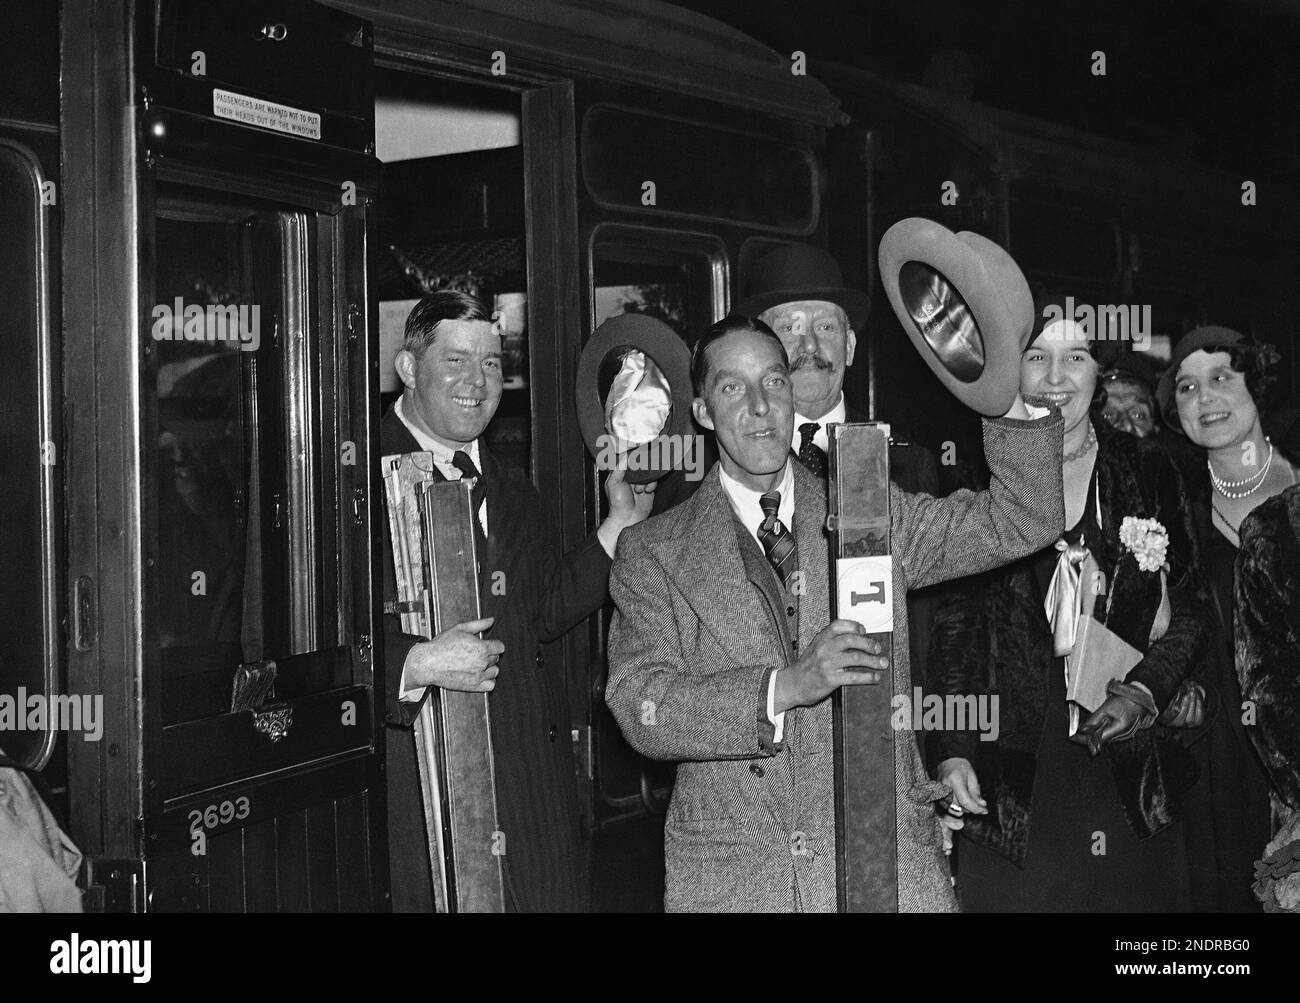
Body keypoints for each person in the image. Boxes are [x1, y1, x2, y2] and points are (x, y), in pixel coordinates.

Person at [605, 316, 1064, 912]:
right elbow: (642, 707)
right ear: (700, 409)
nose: (761, 407)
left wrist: (1000, 390)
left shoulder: (871, 509)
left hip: (884, 871)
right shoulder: (654, 551)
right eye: (732, 388)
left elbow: (1022, 520)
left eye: (774, 382)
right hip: (737, 884)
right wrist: (785, 687)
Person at [928, 301, 1210, 912]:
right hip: (1014, 780)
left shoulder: (1150, 469)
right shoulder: (976, 477)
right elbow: (957, 634)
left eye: (1074, 358)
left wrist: (1144, 690)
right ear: (1012, 371)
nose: (1055, 378)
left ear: (1096, 376)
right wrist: (951, 752)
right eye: (1037, 358)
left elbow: (1193, 611)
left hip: (1129, 768)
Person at [381, 291, 653, 912]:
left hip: (533, 799)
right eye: (456, 360)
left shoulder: (509, 482)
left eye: (491, 364)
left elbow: (540, 614)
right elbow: (308, 646)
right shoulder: (347, 476)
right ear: (407, 368)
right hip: (423, 807)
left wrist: (616, 527)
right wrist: (413, 663)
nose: (477, 382)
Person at [1156, 326, 1297, 909]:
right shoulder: (1173, 522)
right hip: (1217, 771)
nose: (1206, 398)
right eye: (1187, 387)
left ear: (1256, 387)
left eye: (1221, 378)